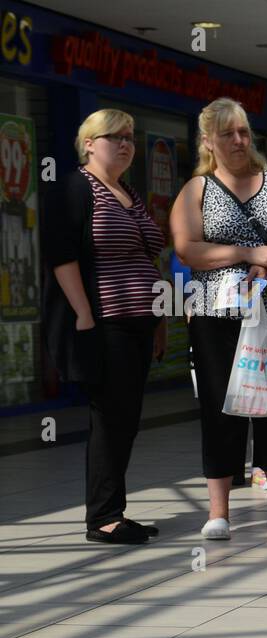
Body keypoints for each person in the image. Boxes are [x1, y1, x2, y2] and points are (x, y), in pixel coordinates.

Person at [171, 97, 267, 540]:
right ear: (208, 141)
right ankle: (218, 511)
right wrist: (245, 254)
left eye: (243, 131)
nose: (238, 140)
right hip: (217, 313)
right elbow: (187, 248)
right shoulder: (196, 190)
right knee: (221, 405)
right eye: (227, 133)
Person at [42, 108, 165, 545]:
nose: (126, 143)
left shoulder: (127, 191)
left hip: (138, 321)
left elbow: (145, 258)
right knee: (111, 419)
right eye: (114, 136)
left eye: (130, 136)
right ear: (89, 143)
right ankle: (104, 518)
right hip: (104, 322)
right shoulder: (75, 187)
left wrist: (158, 318)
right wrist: (85, 316)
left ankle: (114, 510)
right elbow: (62, 256)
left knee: (126, 418)